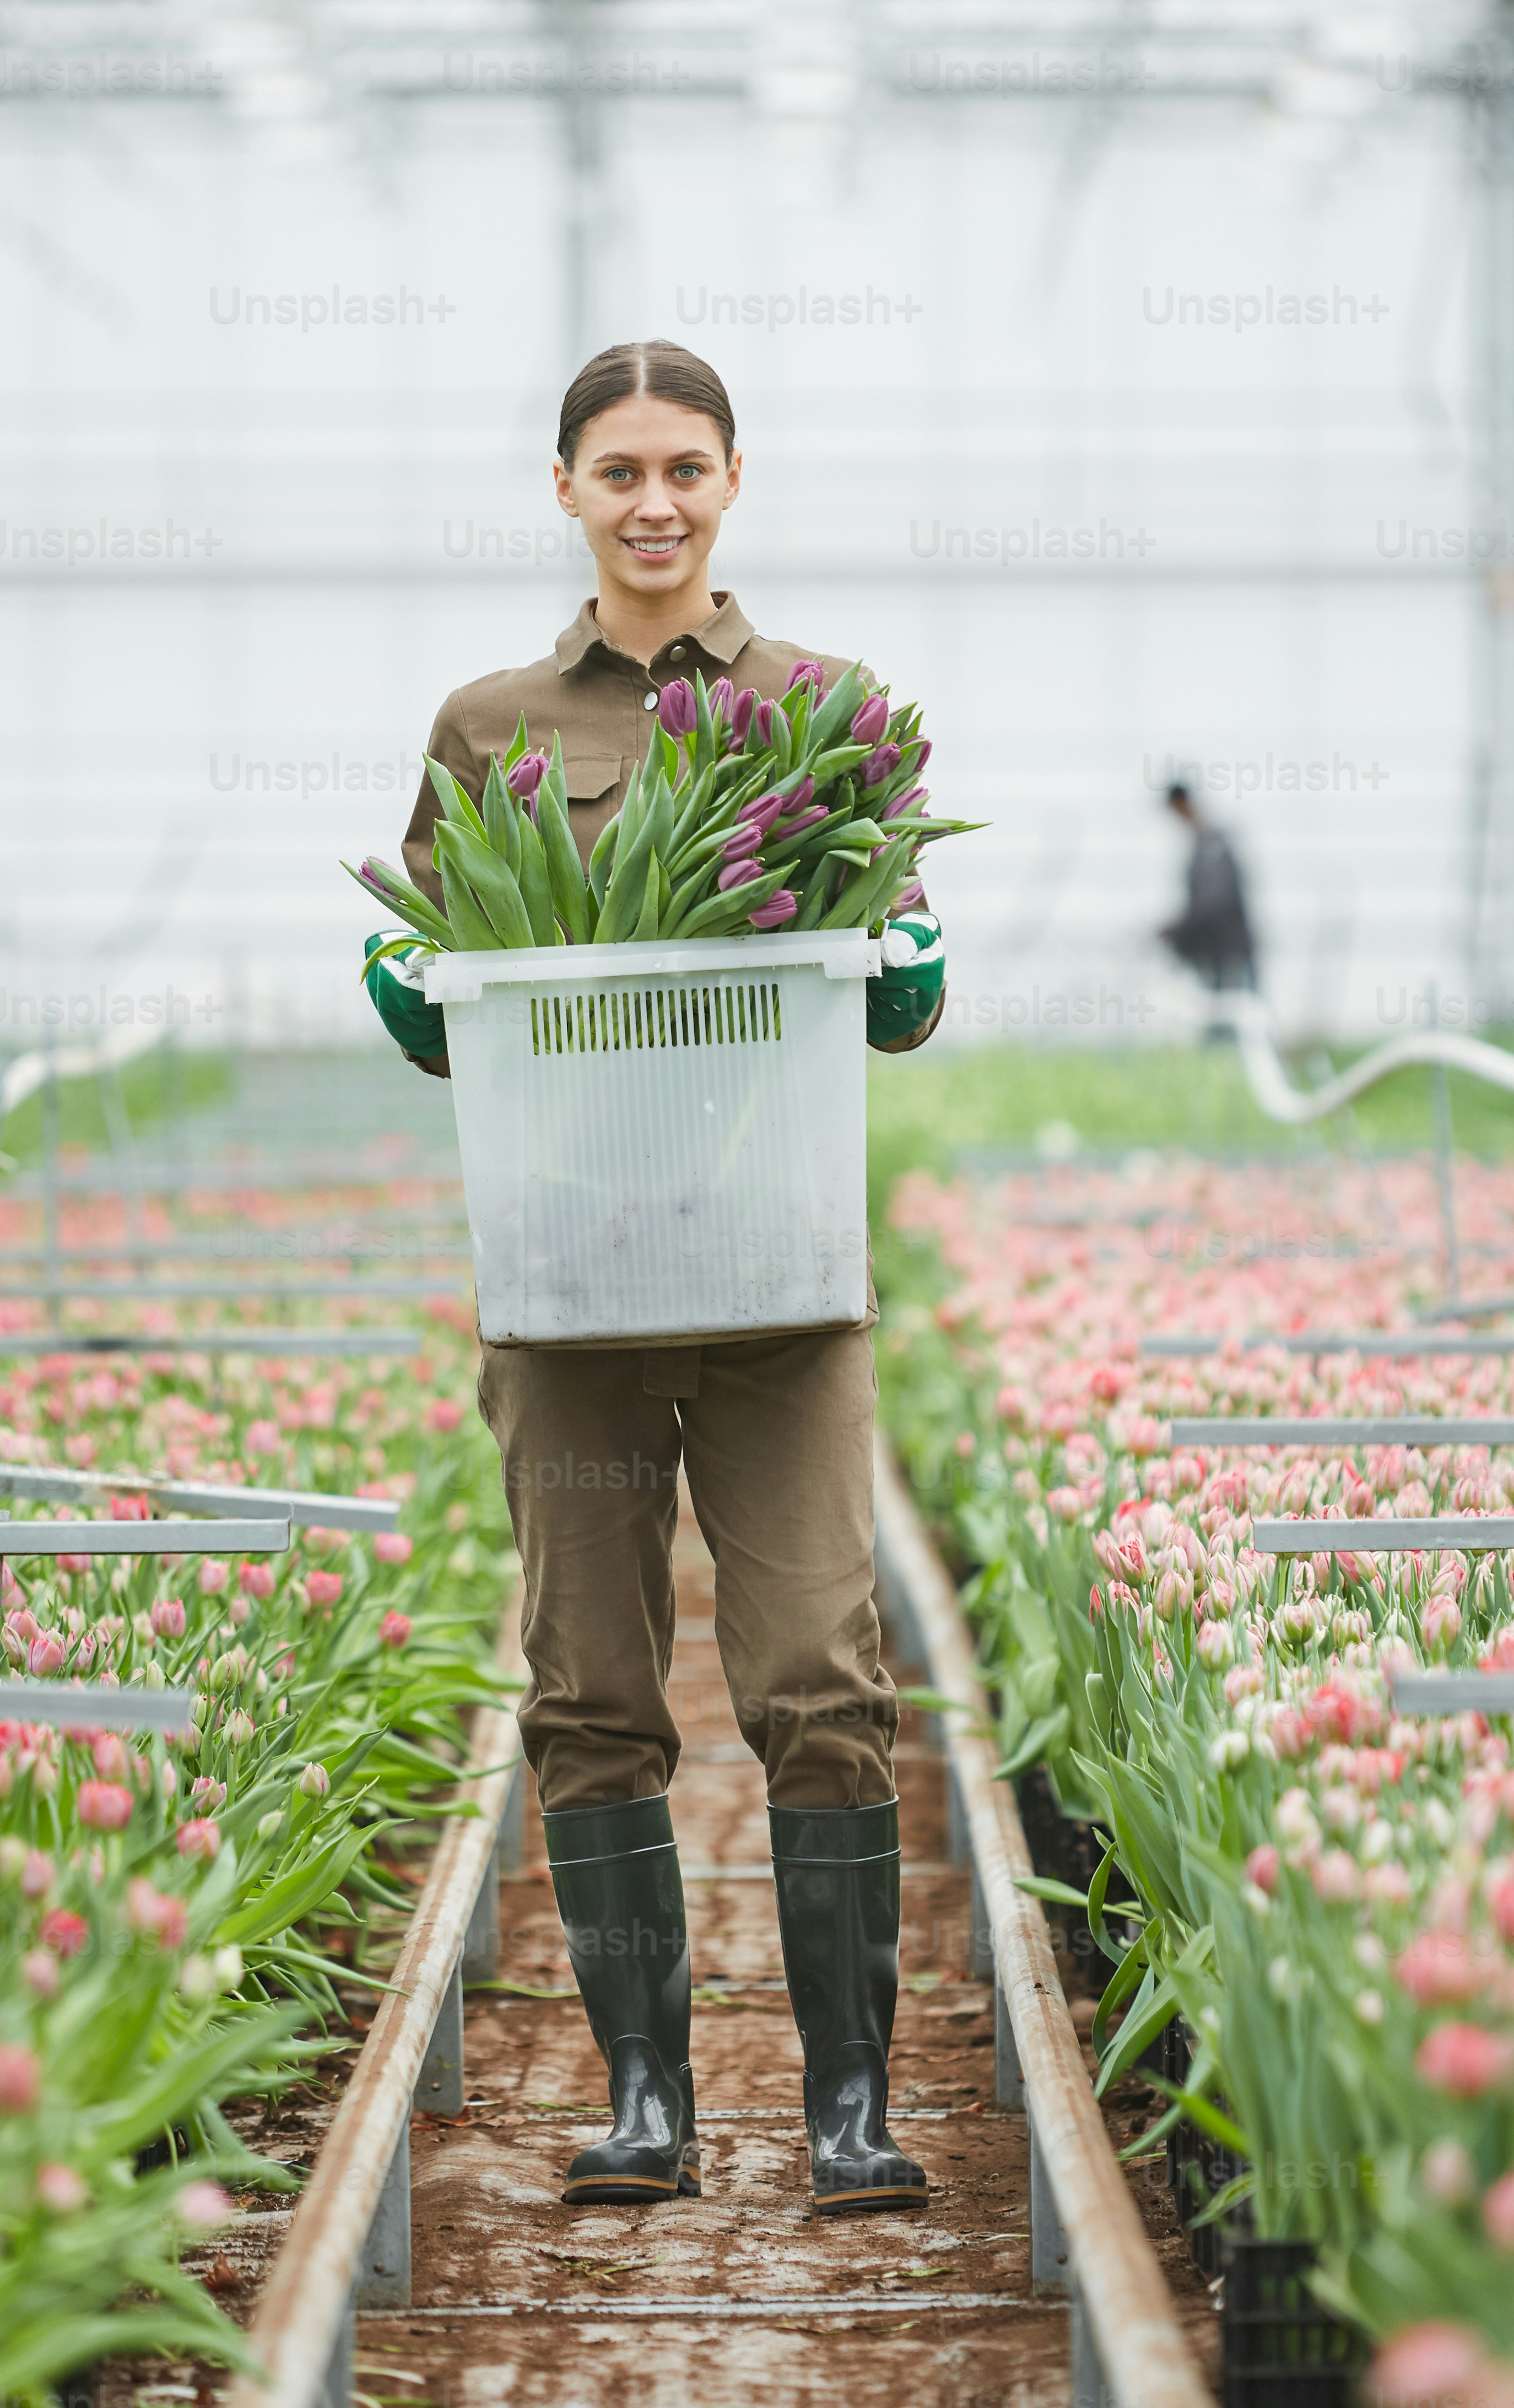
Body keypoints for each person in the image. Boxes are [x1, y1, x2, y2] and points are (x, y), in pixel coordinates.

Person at [361, 339, 947, 2220]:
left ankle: (847, 2107)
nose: (653, 500)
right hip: (569, 1281)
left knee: (817, 1672)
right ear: (565, 489)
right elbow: (462, 1010)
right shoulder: (489, 722)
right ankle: (642, 2097)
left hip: (778, 1285)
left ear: (730, 477)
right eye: (616, 469)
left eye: (682, 466)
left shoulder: (826, 706)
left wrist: (914, 959)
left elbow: (897, 974)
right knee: (590, 1685)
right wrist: (406, 995)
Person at [1157, 778, 1259, 998]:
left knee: (1237, 1009)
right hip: (1214, 949)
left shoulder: (1215, 845)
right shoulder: (1203, 845)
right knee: (1220, 1008)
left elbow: (1215, 900)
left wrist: (1181, 927)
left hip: (1229, 947)